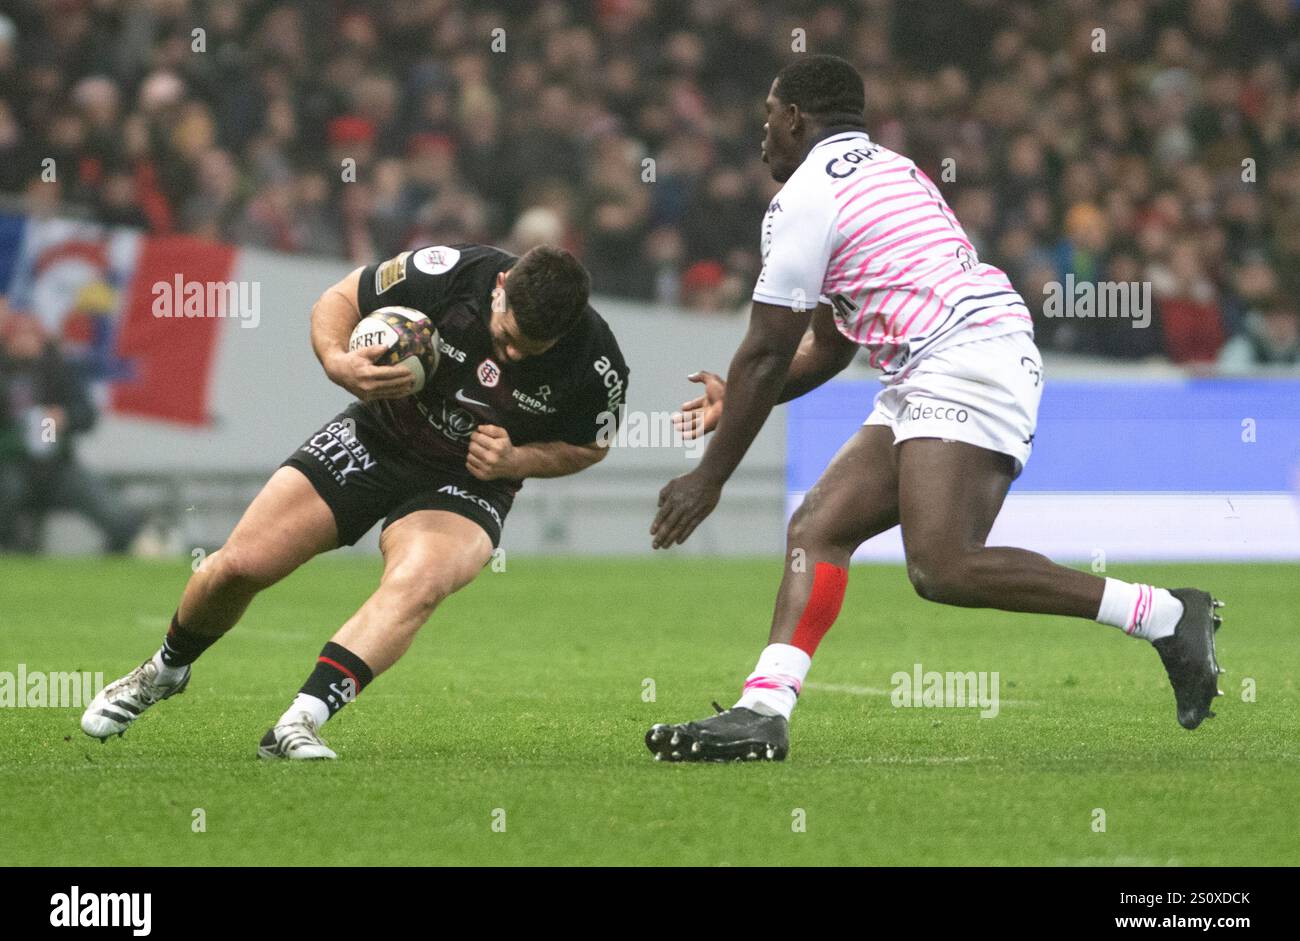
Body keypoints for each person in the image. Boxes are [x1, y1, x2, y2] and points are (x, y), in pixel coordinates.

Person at [646, 56, 1223, 762]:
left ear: (795, 118)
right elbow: (827, 348)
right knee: (819, 526)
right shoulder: (889, 171)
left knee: (942, 566)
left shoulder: (803, 202)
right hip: (937, 363)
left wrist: (709, 476)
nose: (762, 134)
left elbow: (768, 352)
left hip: (966, 355)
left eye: (769, 116)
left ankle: (1164, 613)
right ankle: (764, 710)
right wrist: (739, 398)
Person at [81, 244, 629, 759]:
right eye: (505, 336)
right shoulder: (450, 271)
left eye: (527, 351)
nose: (508, 355)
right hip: (376, 436)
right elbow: (340, 297)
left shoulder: (597, 364)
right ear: (501, 287)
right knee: (239, 567)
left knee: (420, 584)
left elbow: (589, 445)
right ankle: (164, 671)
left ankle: (299, 722)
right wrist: (337, 361)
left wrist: (519, 462)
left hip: (469, 480)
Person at [0, 307, 142, 553]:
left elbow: (87, 415)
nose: (24, 341)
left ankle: (113, 560)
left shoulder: (58, 371)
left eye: (30, 333)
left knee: (117, 515)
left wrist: (64, 418)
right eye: (18, 334)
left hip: (58, 467)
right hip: (10, 466)